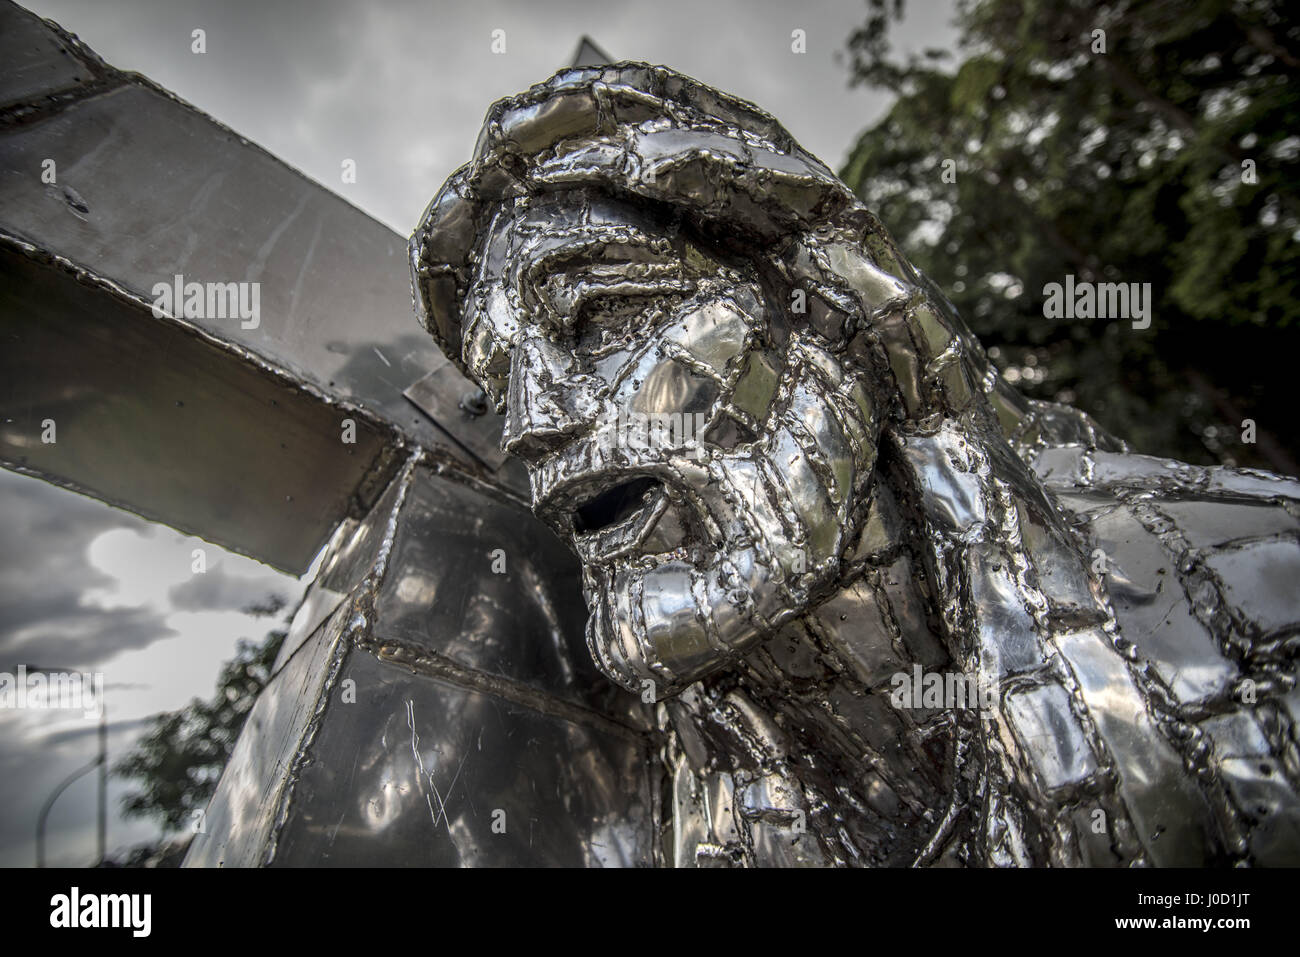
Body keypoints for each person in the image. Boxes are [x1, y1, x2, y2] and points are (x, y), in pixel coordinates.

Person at [411, 62, 1300, 866]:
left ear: (832, 318)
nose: (530, 423)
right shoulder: (694, 813)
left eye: (600, 316)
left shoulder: (1256, 605)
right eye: (503, 381)